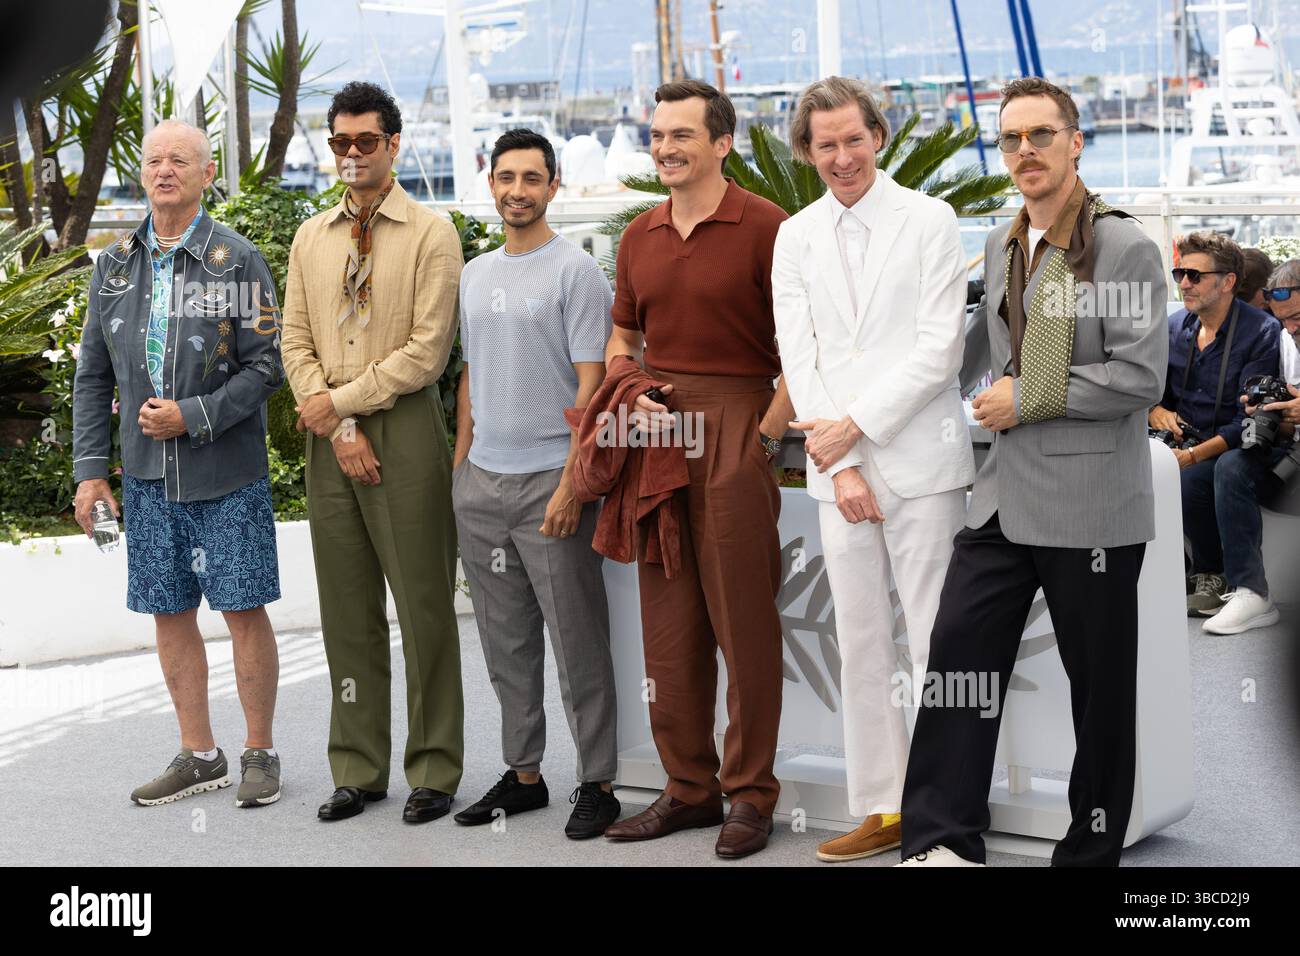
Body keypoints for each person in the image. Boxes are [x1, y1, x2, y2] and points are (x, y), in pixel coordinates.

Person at [898, 77, 1168, 867]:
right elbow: (979, 344)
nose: (1025, 151)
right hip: (1002, 502)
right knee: (958, 666)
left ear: (1075, 141)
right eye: (1012, 138)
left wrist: (1029, 398)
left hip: (1092, 508)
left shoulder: (1122, 245)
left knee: (1100, 692)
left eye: (1041, 135)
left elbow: (1142, 377)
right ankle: (943, 841)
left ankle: (1088, 854)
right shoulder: (1002, 240)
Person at [772, 76, 974, 862]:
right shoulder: (794, 236)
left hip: (920, 463)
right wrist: (842, 460)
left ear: (878, 137)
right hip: (838, 471)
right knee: (860, 641)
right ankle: (884, 806)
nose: (842, 156)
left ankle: (943, 815)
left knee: (934, 639)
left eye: (854, 139)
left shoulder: (931, 219)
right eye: (826, 145)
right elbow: (802, 352)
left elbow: (939, 350)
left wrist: (852, 431)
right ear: (807, 151)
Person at [599, 79, 794, 860]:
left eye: (682, 135)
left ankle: (751, 795)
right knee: (668, 627)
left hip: (739, 423)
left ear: (722, 143)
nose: (667, 148)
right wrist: (630, 386)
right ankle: (687, 789)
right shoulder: (639, 235)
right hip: (658, 435)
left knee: (745, 625)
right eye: (657, 136)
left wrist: (764, 438)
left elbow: (804, 348)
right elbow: (622, 334)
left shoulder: (768, 227)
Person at [72, 118, 285, 808]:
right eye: (155, 160)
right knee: (168, 610)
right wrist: (89, 472)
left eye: (180, 160)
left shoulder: (237, 259)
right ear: (143, 173)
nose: (165, 170)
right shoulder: (111, 266)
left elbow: (267, 365)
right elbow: (91, 377)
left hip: (227, 474)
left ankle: (259, 752)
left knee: (242, 606)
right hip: (142, 478)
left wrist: (193, 417)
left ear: (207, 172)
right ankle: (200, 755)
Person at [280, 82, 465, 824]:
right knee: (346, 611)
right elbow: (294, 339)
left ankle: (434, 767)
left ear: (392, 143)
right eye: (339, 142)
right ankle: (357, 767)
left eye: (365, 142)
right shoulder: (309, 237)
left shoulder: (431, 232)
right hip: (333, 437)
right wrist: (337, 423)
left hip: (406, 430)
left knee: (423, 608)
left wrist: (343, 405)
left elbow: (428, 351)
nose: (351, 155)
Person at [450, 128, 621, 838]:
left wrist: (574, 484)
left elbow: (596, 383)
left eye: (531, 178)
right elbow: (469, 376)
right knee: (505, 643)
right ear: (491, 184)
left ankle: (599, 782)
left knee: (577, 641)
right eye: (505, 177)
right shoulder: (474, 272)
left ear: (553, 187)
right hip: (482, 485)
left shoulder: (575, 271)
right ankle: (525, 775)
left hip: (553, 480)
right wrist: (461, 469)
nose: (517, 190)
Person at [1149, 232, 1281, 628]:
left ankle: (1240, 586)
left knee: (1214, 471)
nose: (1184, 283)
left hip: (1247, 445)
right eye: (1179, 274)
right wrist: (1155, 409)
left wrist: (1191, 455)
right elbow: (1150, 390)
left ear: (1227, 282)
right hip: (1186, 441)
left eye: (1194, 275)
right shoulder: (1175, 327)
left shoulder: (1260, 331)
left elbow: (1255, 419)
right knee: (1136, 464)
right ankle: (1185, 573)